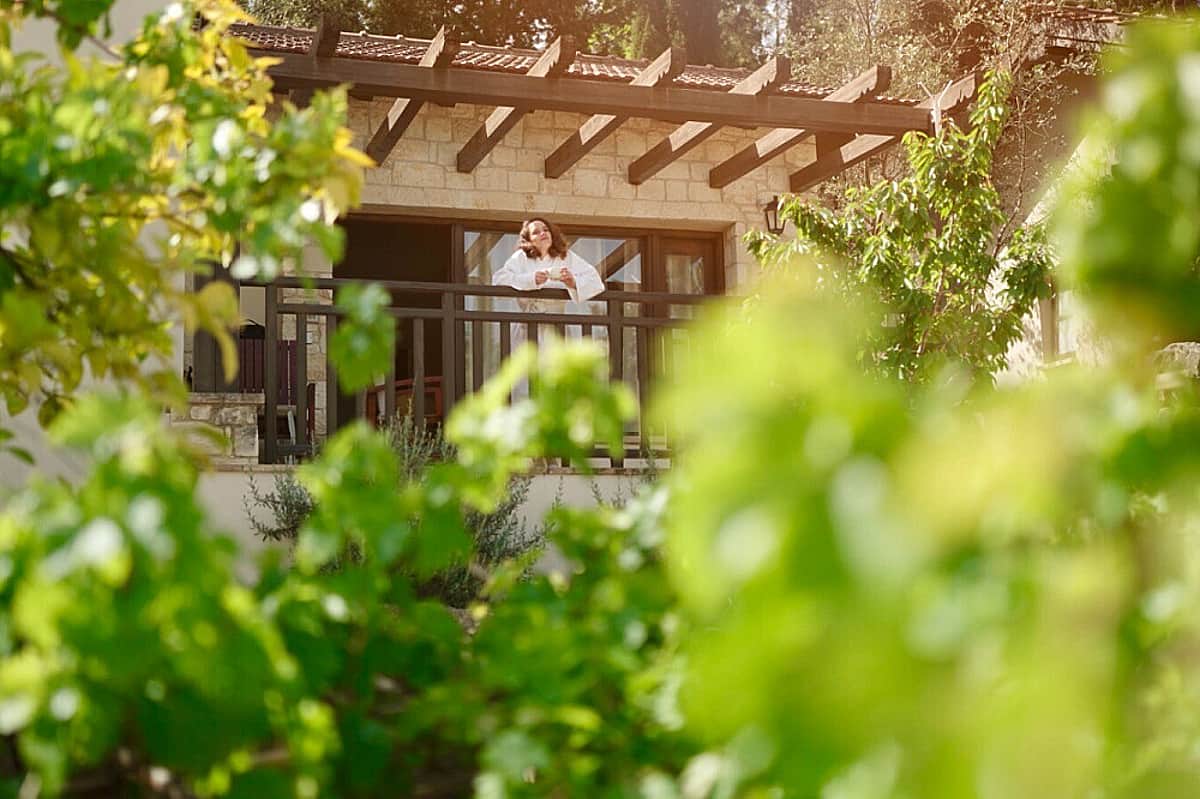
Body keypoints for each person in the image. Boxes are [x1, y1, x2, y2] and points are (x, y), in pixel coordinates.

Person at [492, 217, 605, 309]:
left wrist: (573, 282)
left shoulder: (566, 256)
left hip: (556, 323)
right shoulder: (521, 257)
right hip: (526, 323)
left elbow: (595, 283)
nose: (543, 233)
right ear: (529, 240)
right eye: (536, 232)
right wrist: (531, 279)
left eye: (546, 230)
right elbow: (499, 280)